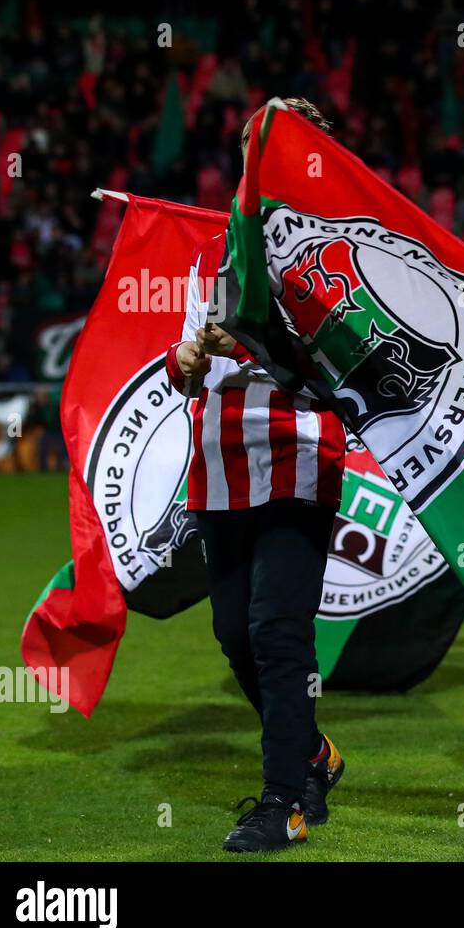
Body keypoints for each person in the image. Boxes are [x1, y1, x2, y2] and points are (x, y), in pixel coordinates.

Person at [165, 97, 347, 852]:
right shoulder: (212, 253)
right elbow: (182, 370)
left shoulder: (337, 254)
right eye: (251, 148)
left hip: (297, 457)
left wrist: (249, 344)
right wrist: (189, 358)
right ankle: (313, 756)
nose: (257, 163)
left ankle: (286, 803)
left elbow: (347, 364)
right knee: (234, 632)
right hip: (218, 464)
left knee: (277, 631)